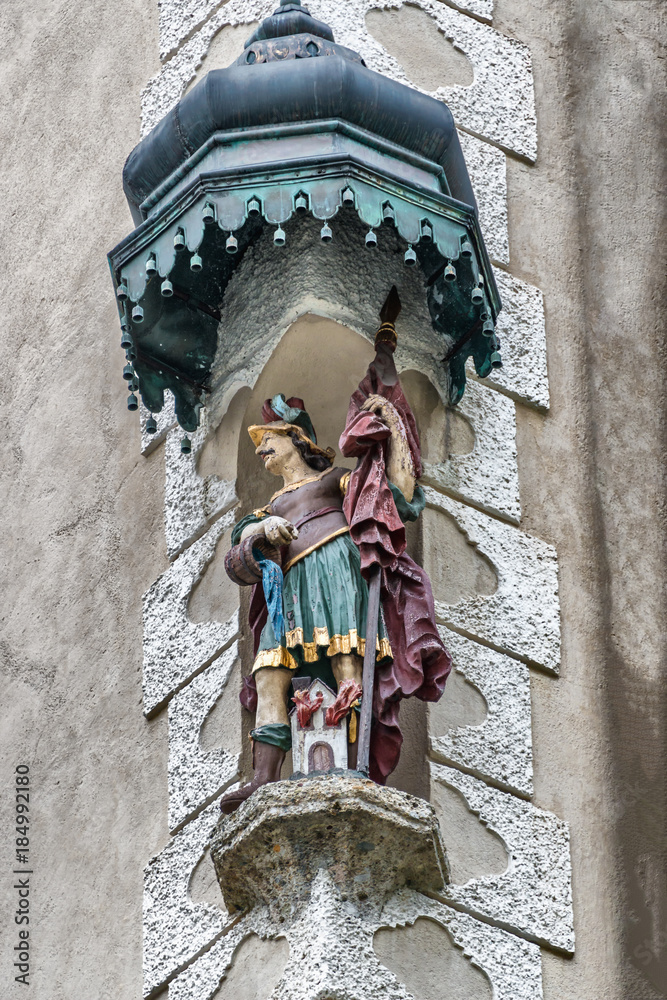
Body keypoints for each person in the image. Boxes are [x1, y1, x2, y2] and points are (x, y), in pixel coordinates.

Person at [219, 315, 451, 814]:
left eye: (270, 439)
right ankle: (264, 778)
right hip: (288, 591)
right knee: (268, 671)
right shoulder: (268, 507)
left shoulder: (333, 483)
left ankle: (353, 764)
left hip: (336, 571)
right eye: (258, 442)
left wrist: (390, 421)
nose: (260, 448)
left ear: (297, 440)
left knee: (347, 658)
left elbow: (395, 498)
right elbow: (237, 556)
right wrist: (262, 534)